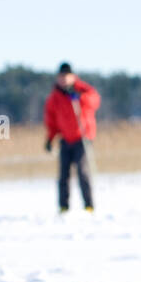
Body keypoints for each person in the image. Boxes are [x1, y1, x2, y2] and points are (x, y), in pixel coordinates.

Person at [43, 62, 100, 213]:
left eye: (66, 77)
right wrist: (50, 138)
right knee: (63, 175)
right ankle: (63, 206)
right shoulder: (54, 98)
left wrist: (79, 97)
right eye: (61, 77)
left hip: (82, 137)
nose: (63, 80)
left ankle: (89, 205)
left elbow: (94, 101)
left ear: (72, 77)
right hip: (66, 139)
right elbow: (51, 121)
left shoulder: (83, 90)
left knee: (83, 172)